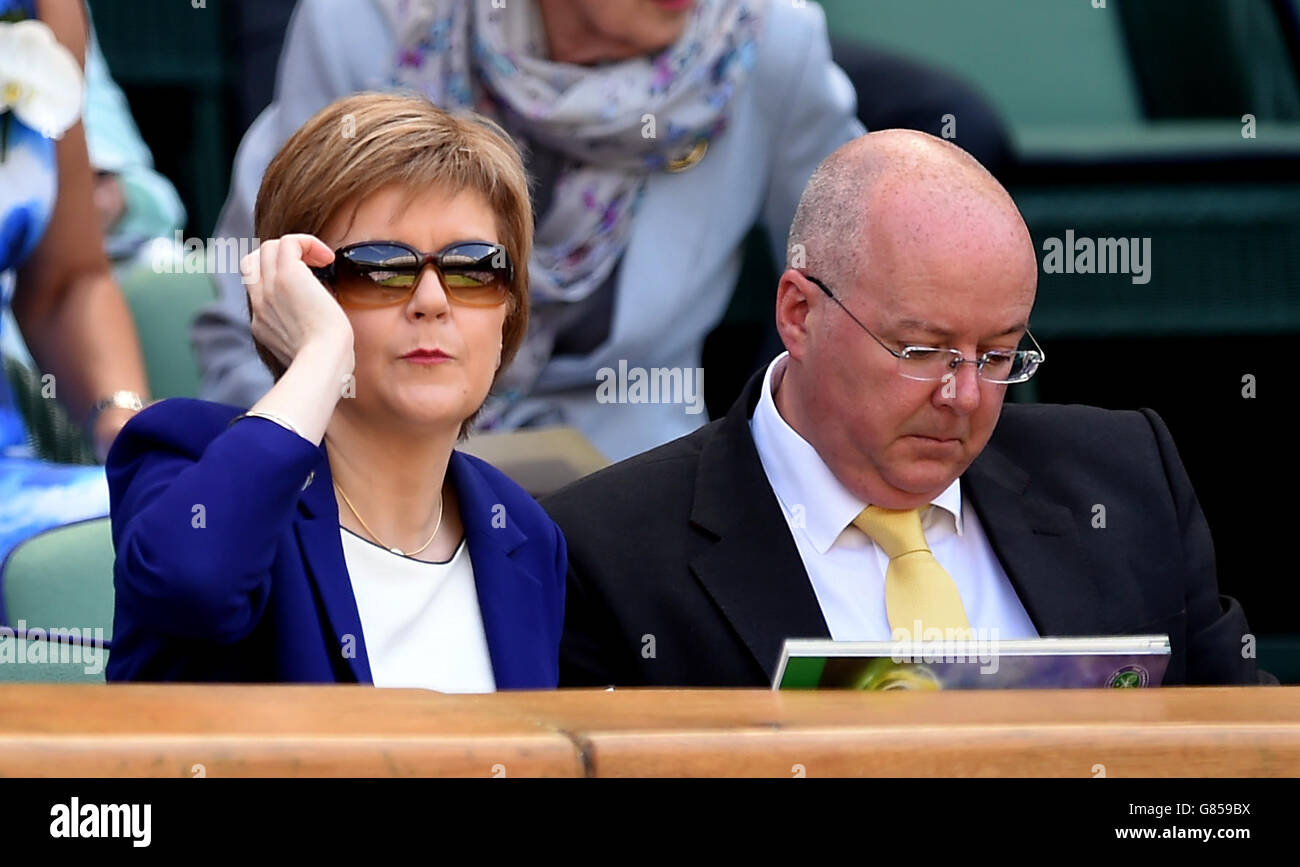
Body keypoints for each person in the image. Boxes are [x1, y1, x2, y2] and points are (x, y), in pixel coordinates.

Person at [544, 129, 1272, 688]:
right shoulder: (611, 552)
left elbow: (1245, 761)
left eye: (997, 355)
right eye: (921, 350)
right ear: (798, 313)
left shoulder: (1124, 479)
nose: (963, 395)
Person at [191, 0, 864, 461]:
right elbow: (252, 315)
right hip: (360, 479)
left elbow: (858, 288)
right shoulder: (367, 21)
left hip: (630, 502)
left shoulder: (761, 43)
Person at [106, 93, 566, 690]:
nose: (432, 300)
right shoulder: (187, 454)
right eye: (380, 267)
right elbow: (193, 585)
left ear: (509, 309)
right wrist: (321, 356)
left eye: (473, 267)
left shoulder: (525, 535)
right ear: (298, 295)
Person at [0, 0, 151, 567]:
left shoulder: (43, 11)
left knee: (196, 538)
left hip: (12, 482)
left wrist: (127, 425)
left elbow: (67, 285)